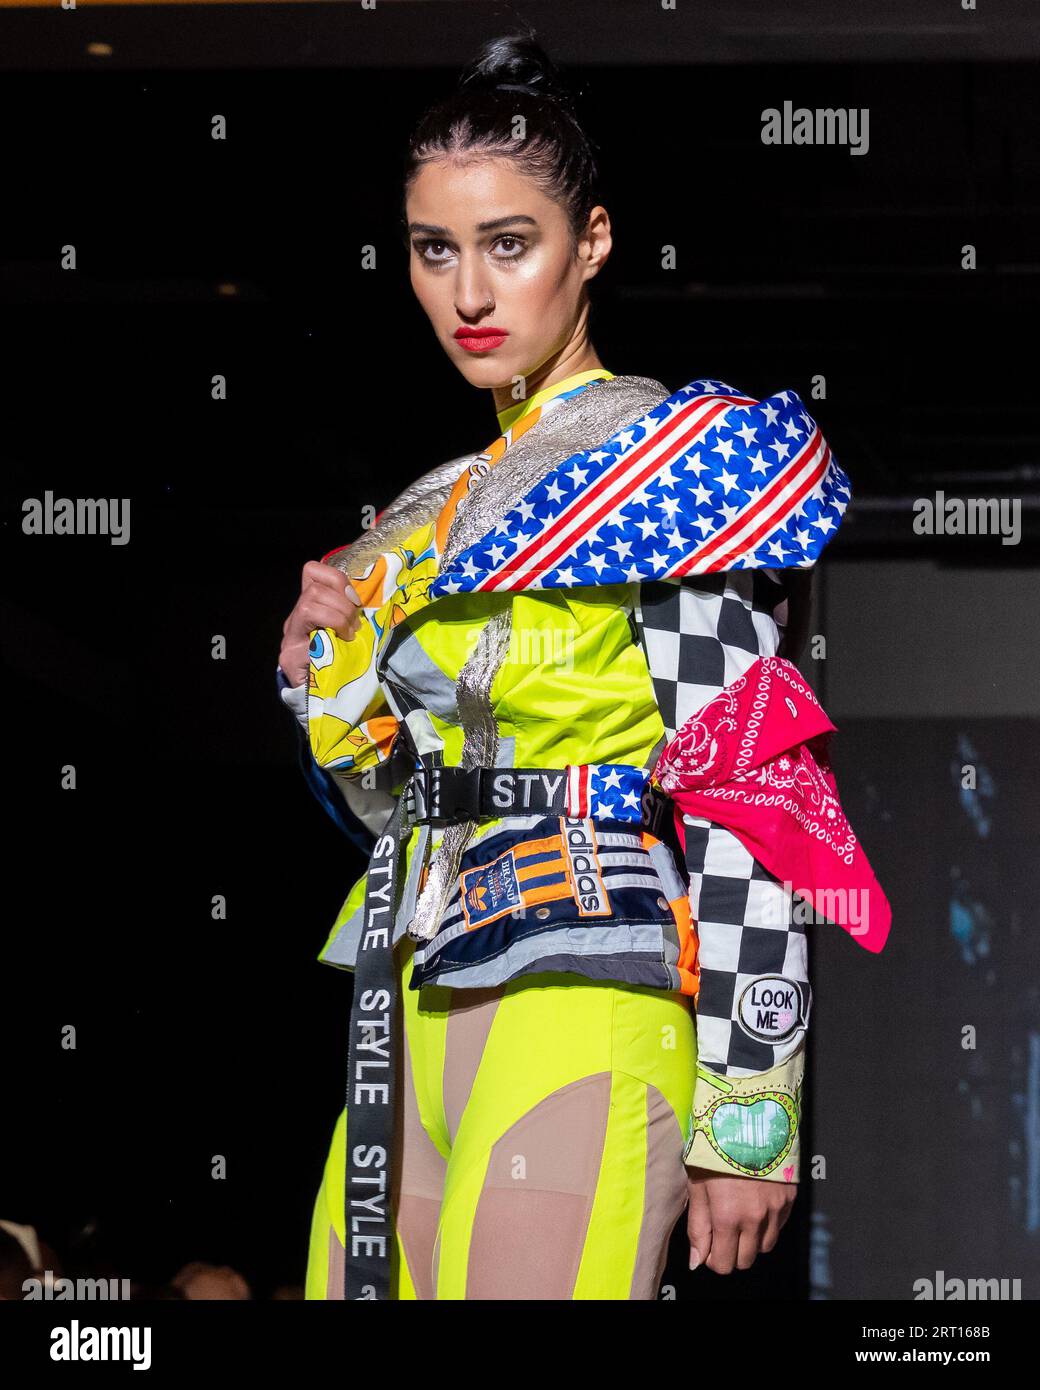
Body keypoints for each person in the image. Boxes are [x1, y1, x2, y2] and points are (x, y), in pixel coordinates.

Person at [277, 30, 886, 1302]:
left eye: (510, 244)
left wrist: (749, 1123)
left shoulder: (675, 468)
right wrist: (328, 684)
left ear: (591, 242)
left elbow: (754, 795)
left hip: (594, 981)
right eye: (434, 249)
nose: (468, 294)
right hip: (407, 991)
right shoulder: (426, 510)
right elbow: (398, 811)